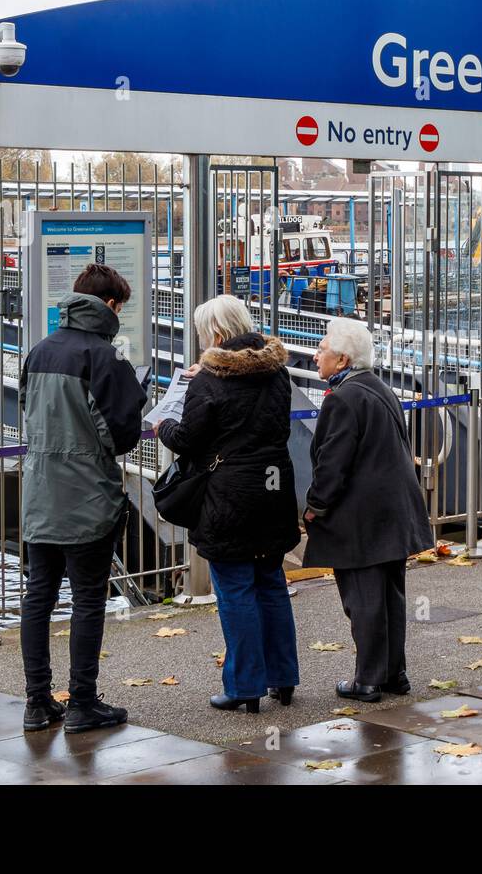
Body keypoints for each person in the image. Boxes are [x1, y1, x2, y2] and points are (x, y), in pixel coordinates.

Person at [18, 264, 148, 734]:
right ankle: (82, 703)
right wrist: (137, 396)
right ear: (111, 305)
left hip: (39, 493)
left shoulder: (39, 352)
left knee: (38, 597)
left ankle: (36, 702)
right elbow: (122, 436)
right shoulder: (105, 359)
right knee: (88, 599)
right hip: (88, 497)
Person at [155, 295, 300, 713]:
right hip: (273, 489)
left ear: (217, 334)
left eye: (204, 334)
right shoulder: (277, 373)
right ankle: (283, 677)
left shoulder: (209, 381)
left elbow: (187, 439)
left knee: (235, 587)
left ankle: (244, 686)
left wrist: (163, 423)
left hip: (229, 496)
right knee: (270, 582)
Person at [302, 318, 433, 703]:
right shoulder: (377, 387)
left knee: (362, 599)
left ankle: (369, 680)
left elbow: (332, 463)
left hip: (362, 517)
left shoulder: (343, 398)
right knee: (390, 595)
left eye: (322, 350)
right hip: (394, 510)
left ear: (341, 360)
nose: (316, 355)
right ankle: (395, 674)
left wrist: (315, 507)